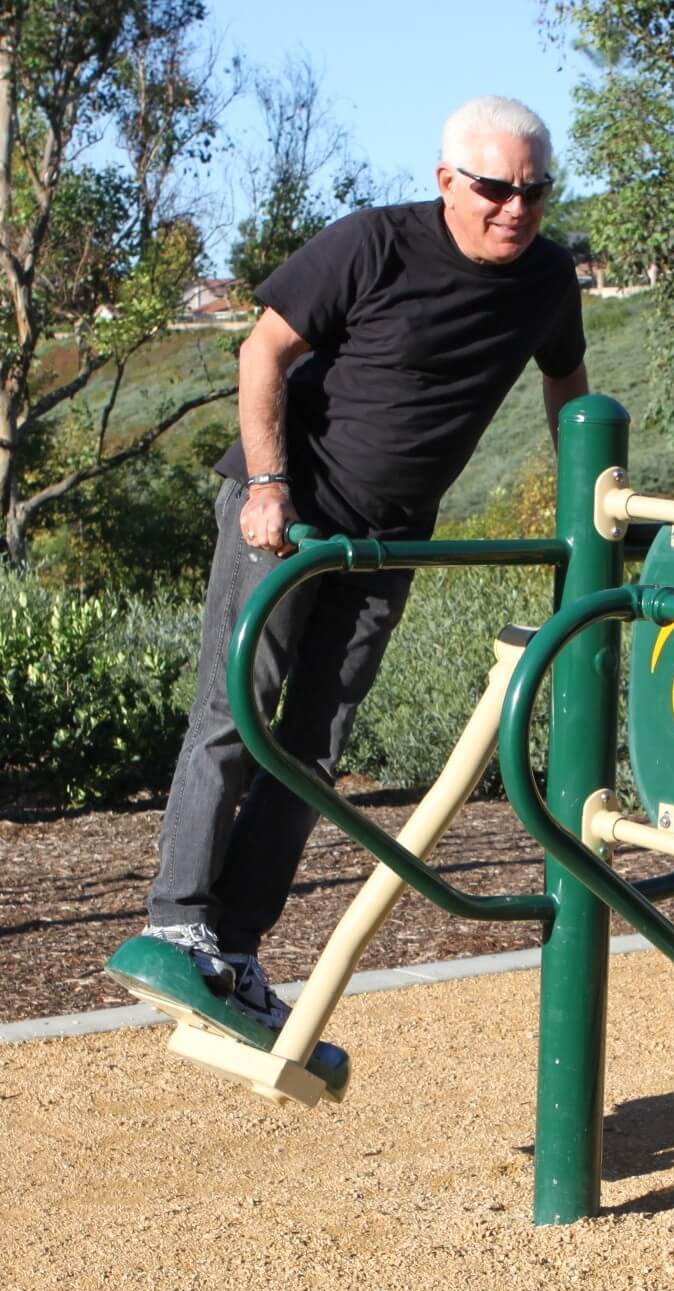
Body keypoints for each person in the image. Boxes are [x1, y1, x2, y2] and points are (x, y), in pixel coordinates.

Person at [139, 96, 589, 1029]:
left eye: (534, 191)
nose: (515, 208)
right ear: (445, 181)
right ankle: (176, 922)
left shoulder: (547, 277)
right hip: (292, 515)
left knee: (315, 741)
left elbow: (566, 384)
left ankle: (235, 944)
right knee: (235, 709)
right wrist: (266, 485)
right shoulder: (372, 244)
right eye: (495, 188)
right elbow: (262, 350)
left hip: (392, 536)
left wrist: (588, 502)